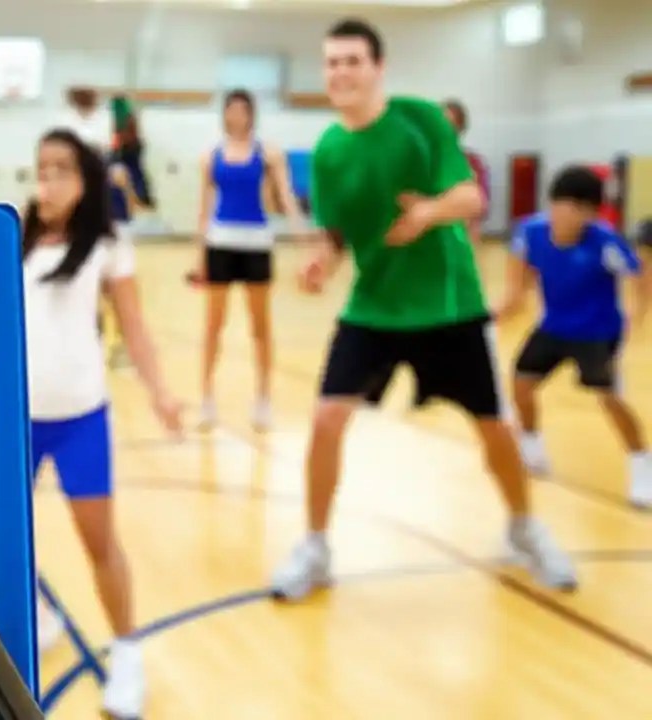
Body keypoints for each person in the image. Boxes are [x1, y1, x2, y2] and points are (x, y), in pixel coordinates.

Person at [272, 18, 577, 600]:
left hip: (449, 305)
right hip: (374, 307)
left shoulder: (420, 119)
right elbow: (337, 233)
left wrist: (427, 214)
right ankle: (314, 547)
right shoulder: (329, 151)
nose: (341, 72)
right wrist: (322, 261)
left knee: (494, 428)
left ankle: (524, 528)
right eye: (332, 62)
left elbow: (471, 197)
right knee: (326, 419)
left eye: (353, 61)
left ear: (378, 67)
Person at [23, 129, 181, 718]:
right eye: (42, 169)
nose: (48, 180)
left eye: (61, 169)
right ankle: (40, 614)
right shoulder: (14, 237)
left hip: (80, 417)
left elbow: (133, 326)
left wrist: (160, 391)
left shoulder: (107, 246)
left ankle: (128, 654)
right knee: (4, 535)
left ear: (85, 180)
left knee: (100, 545)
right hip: (17, 419)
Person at [496, 166, 651, 506]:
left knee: (609, 398)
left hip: (598, 333)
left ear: (590, 214)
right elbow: (518, 288)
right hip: (553, 327)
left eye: (577, 210)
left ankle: (642, 465)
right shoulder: (529, 233)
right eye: (559, 206)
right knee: (521, 385)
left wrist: (637, 315)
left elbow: (640, 274)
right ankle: (533, 450)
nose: (564, 216)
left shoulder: (605, 242)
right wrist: (496, 314)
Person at [193, 89, 304, 430]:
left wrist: (302, 234)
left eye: (243, 110)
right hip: (220, 243)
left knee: (261, 327)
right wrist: (199, 255)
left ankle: (263, 401)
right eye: (232, 110)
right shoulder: (210, 157)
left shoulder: (268, 153)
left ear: (251, 115)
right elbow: (203, 208)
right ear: (225, 115)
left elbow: (286, 195)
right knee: (213, 325)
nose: (237, 116)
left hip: (256, 243)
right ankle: (206, 401)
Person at [443, 99, 489, 245]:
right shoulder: (422, 162)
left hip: (462, 236)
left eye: (452, 125)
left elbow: (481, 205)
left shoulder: (472, 162)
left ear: (460, 128)